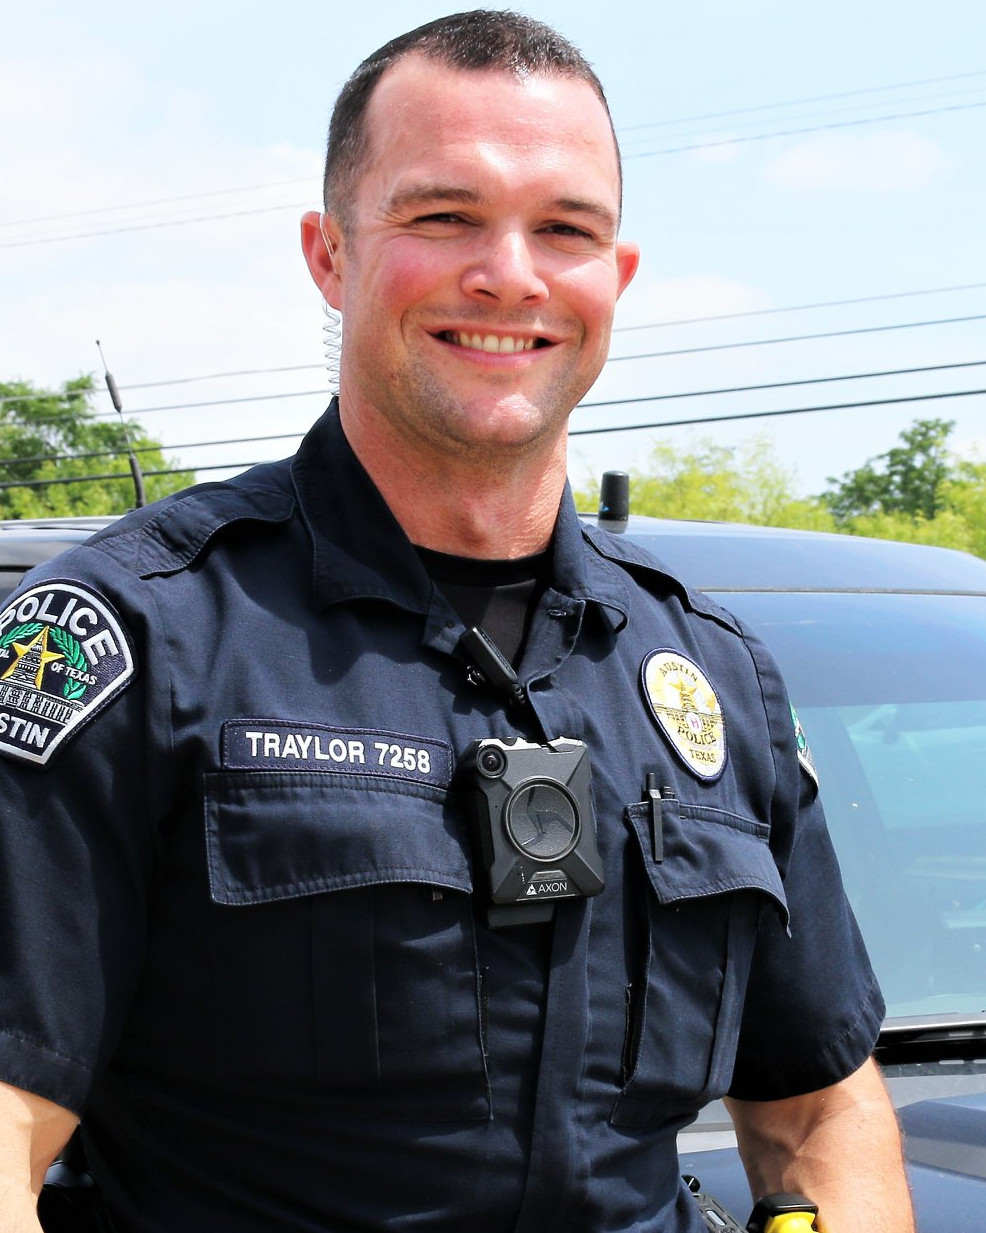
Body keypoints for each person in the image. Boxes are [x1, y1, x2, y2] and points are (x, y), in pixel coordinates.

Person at [0, 11, 913, 1232]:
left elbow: (818, 1111)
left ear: (615, 276)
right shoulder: (132, 637)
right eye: (443, 216)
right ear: (330, 255)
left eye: (565, 230)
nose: (510, 275)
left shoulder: (706, 673)